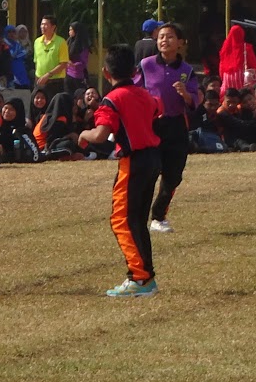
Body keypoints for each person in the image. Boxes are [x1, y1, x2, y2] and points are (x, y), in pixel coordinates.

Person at [74, 45, 162, 297]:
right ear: (135, 71)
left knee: (121, 219)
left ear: (105, 72)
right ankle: (146, 276)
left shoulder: (112, 99)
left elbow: (101, 135)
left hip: (133, 162)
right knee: (138, 220)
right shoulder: (145, 94)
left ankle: (139, 278)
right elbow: (158, 109)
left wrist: (83, 134)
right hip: (153, 158)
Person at [136, 21, 198, 235]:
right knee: (149, 172)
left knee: (173, 175)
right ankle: (141, 216)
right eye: (161, 36)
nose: (165, 40)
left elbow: (194, 101)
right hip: (152, 125)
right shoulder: (146, 65)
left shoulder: (187, 71)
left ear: (180, 42)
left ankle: (158, 216)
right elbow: (134, 90)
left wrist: (185, 94)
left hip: (176, 126)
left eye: (170, 36)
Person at [216, 23, 256, 94]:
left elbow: (221, 68)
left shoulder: (225, 48)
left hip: (228, 80)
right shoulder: (246, 48)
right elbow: (254, 66)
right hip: (242, 80)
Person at [33, 15, 68, 97]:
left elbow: (63, 64)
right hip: (39, 82)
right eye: (41, 24)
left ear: (53, 27)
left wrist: (48, 75)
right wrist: (37, 79)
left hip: (55, 82)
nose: (42, 27)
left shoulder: (61, 42)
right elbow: (36, 62)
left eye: (45, 24)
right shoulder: (37, 42)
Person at [65, 22, 92, 100]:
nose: (69, 32)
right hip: (67, 74)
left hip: (78, 76)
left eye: (71, 30)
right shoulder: (68, 42)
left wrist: (74, 65)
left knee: (79, 98)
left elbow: (83, 62)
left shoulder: (83, 45)